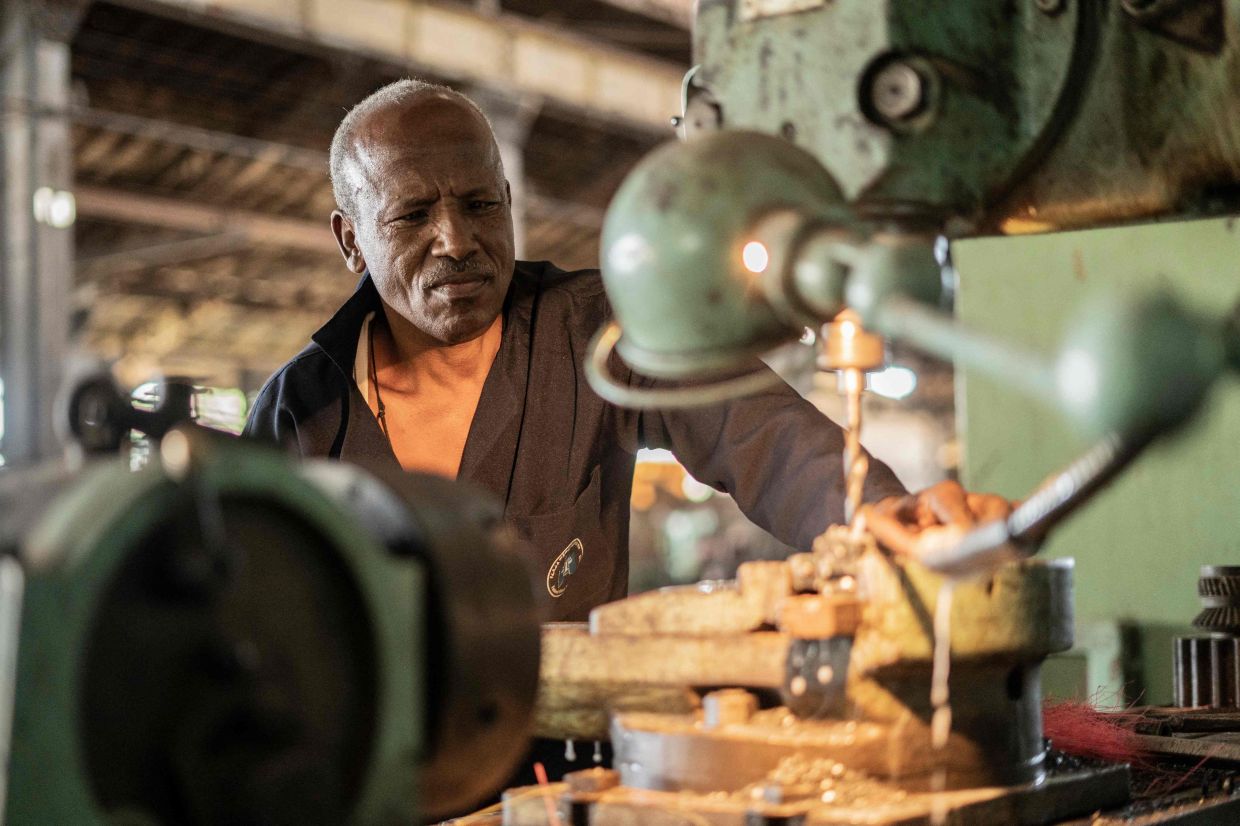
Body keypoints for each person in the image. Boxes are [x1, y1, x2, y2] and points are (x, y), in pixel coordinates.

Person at [242, 78, 1005, 621]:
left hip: (576, 770)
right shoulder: (297, 414)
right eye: (411, 216)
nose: (457, 240)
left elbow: (758, 430)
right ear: (351, 239)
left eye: (480, 205)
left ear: (508, 202)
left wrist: (880, 513)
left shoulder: (599, 328)